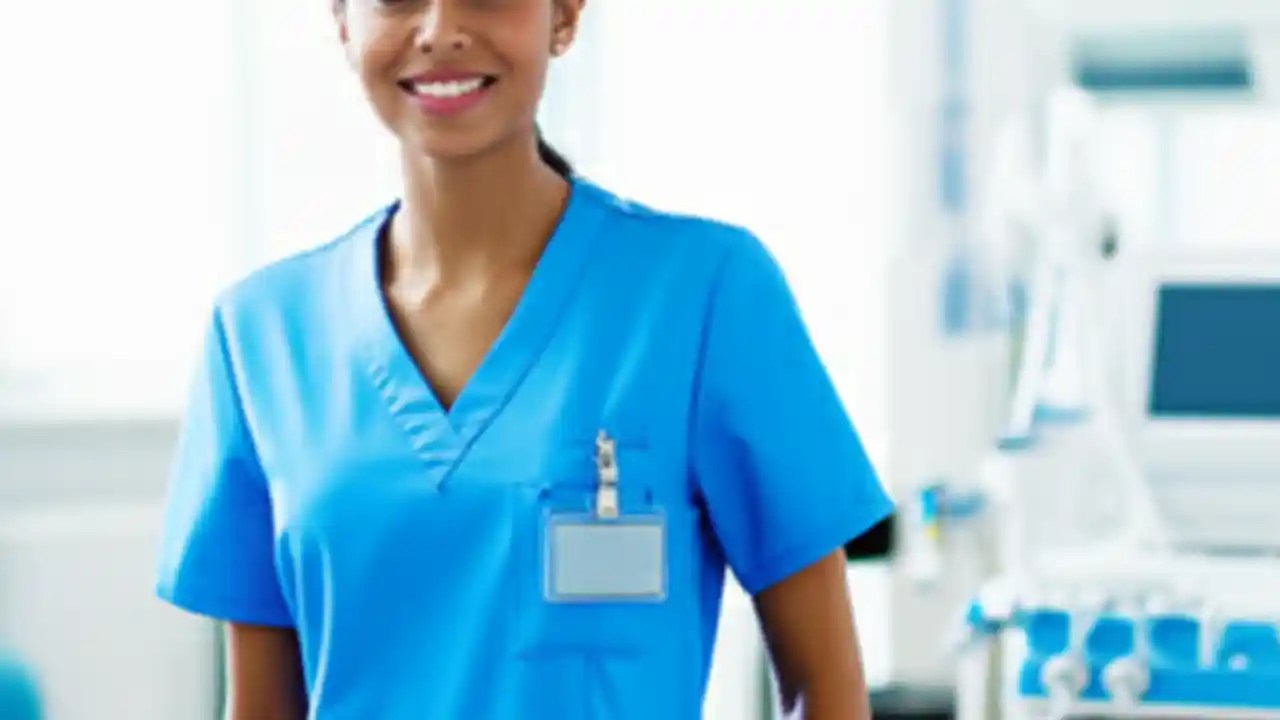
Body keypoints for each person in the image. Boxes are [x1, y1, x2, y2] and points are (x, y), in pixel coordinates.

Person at [154, 0, 895, 718]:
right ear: (343, 23)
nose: (441, 30)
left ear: (565, 14)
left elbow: (825, 691)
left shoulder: (705, 293)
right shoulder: (261, 335)